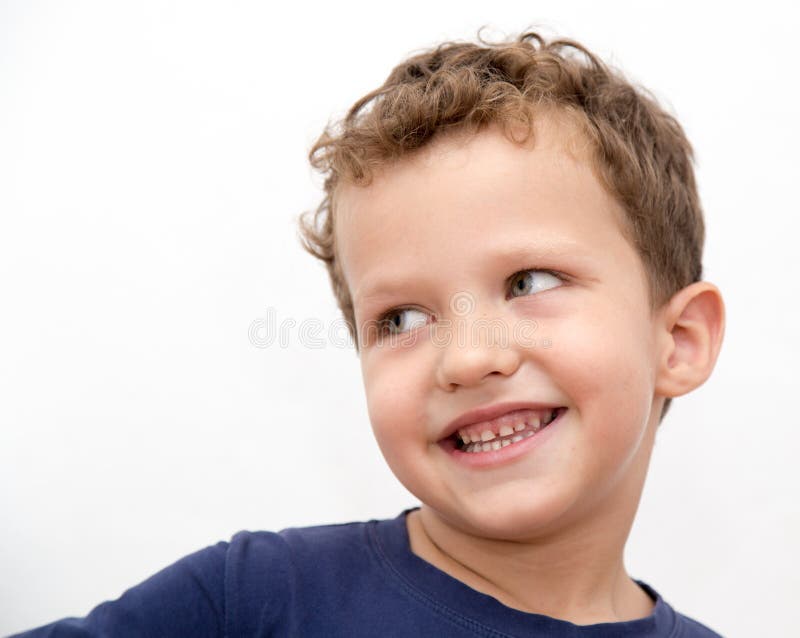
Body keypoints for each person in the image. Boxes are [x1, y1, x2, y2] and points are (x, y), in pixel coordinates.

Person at [10, 30, 726, 637]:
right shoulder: (250, 602)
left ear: (680, 341)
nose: (468, 358)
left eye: (528, 283)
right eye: (402, 320)